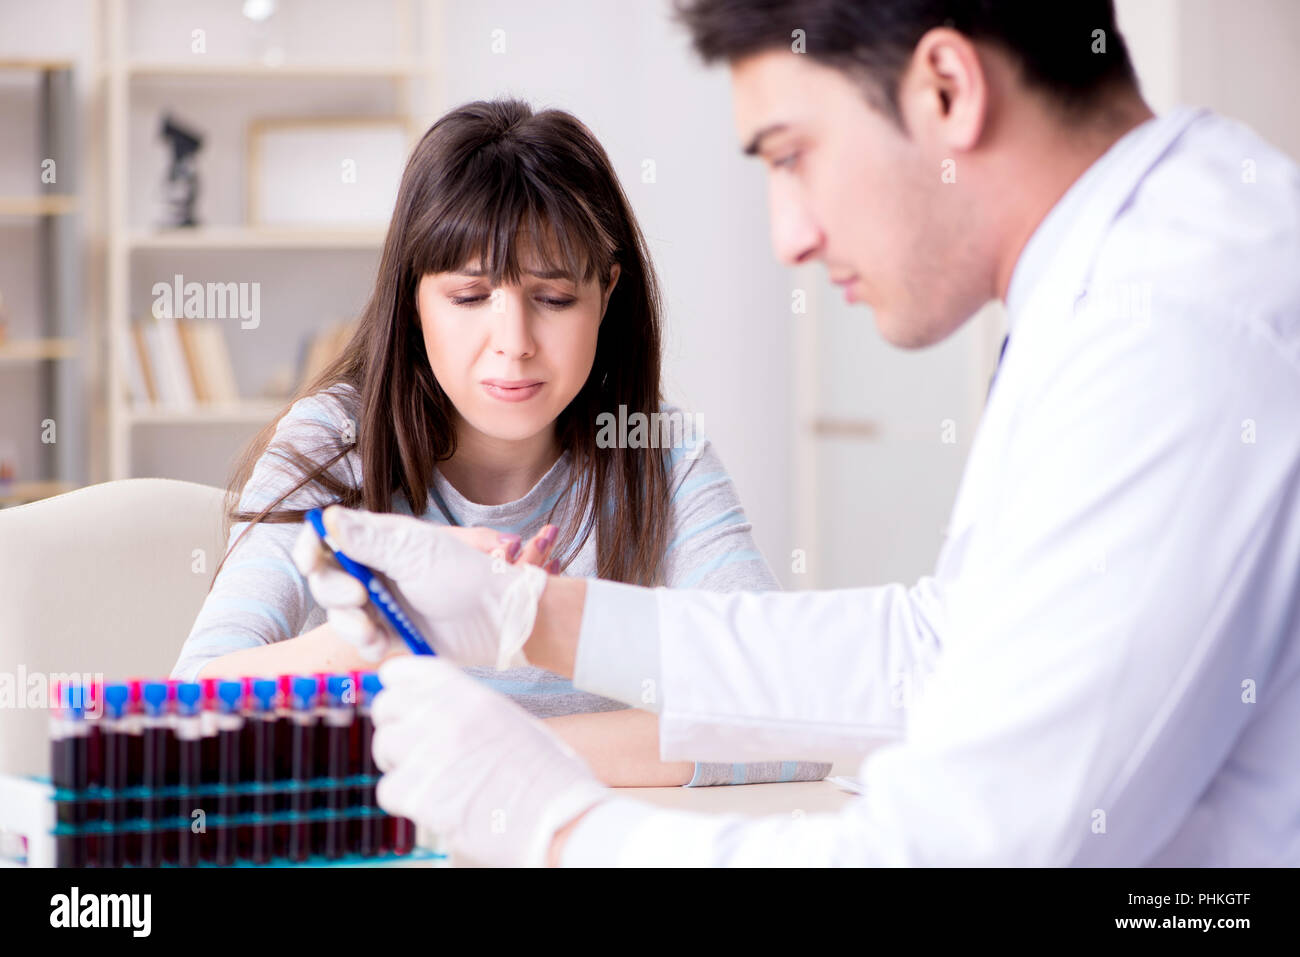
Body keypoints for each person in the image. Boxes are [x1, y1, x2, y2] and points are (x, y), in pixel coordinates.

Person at [296, 0, 1300, 866]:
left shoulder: (1170, 329)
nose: (791, 235)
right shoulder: (1141, 271)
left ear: (945, 88)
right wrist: (533, 614)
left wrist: (555, 825)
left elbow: (960, 852)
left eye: (790, 155)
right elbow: (941, 648)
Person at [169, 98, 830, 790]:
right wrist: (374, 633)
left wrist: (493, 748)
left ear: (606, 292)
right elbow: (187, 712)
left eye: (553, 298)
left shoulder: (655, 451)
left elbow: (796, 714)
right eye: (469, 296)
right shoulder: (335, 441)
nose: (513, 343)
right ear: (413, 297)